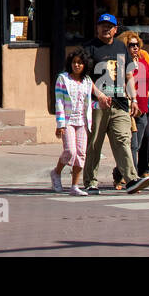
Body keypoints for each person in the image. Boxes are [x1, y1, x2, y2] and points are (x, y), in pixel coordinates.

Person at [82, 13, 149, 194]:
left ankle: (131, 180)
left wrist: (134, 99)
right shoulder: (89, 48)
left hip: (120, 103)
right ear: (97, 28)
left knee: (123, 140)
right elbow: (84, 78)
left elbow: (129, 76)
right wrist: (98, 95)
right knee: (95, 143)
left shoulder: (121, 47)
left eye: (109, 26)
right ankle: (91, 181)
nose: (105, 29)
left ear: (115, 29)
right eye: (102, 25)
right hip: (97, 104)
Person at [117, 31, 149, 187]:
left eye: (136, 45)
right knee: (132, 144)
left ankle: (120, 172)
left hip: (143, 107)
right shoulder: (122, 62)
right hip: (128, 107)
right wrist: (130, 100)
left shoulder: (143, 61)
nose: (135, 48)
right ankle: (131, 179)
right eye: (131, 45)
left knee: (140, 143)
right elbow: (126, 82)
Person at [51, 47, 93, 195]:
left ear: (84, 65)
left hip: (82, 121)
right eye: (75, 62)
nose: (77, 65)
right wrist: (60, 124)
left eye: (80, 63)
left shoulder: (87, 81)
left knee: (81, 153)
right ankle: (56, 172)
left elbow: (88, 102)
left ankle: (74, 186)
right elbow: (59, 102)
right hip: (68, 121)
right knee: (70, 151)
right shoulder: (63, 79)